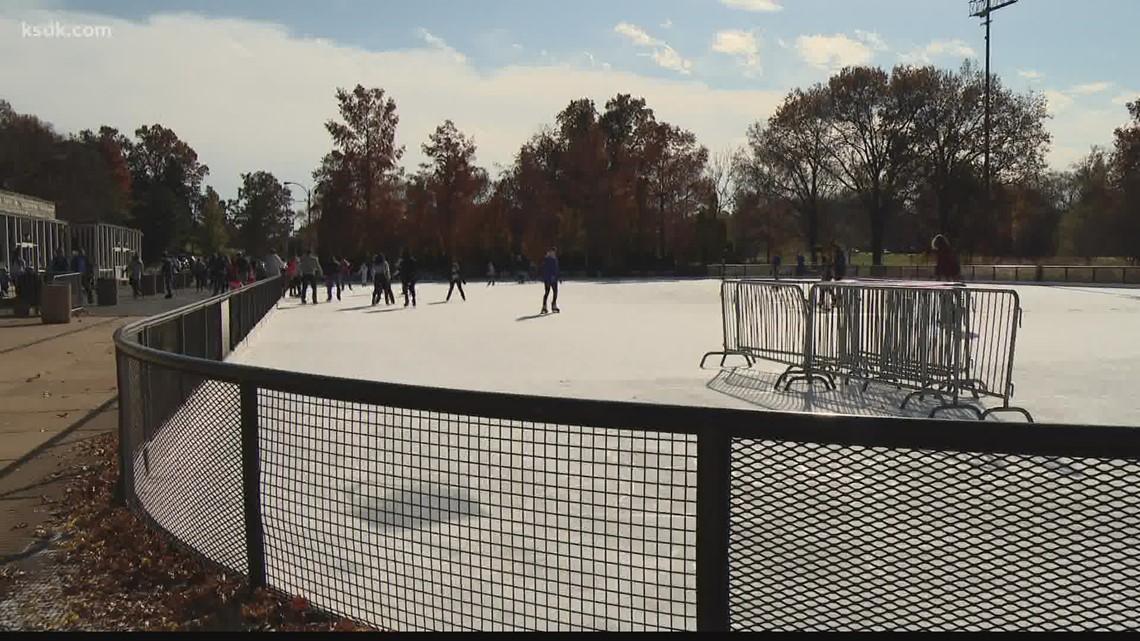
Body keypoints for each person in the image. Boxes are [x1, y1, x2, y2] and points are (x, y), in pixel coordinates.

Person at [540, 247, 560, 314]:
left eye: (554, 252)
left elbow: (556, 270)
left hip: (554, 280)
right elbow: (545, 270)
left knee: (555, 292)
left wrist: (558, 278)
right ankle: (544, 306)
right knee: (547, 292)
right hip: (548, 279)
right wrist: (548, 278)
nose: (553, 253)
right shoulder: (547, 260)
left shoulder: (555, 260)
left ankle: (554, 304)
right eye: (552, 252)